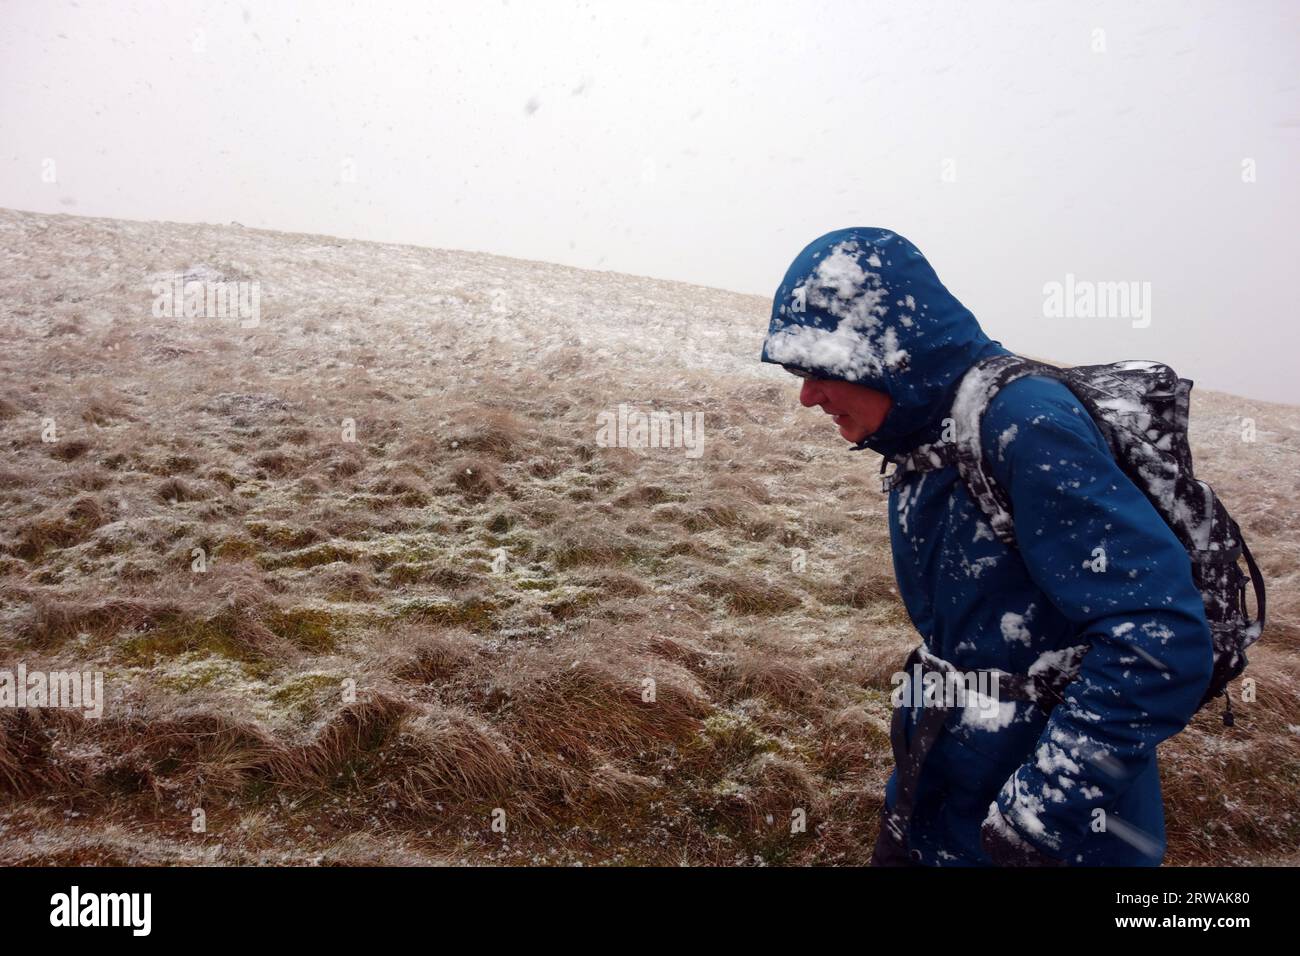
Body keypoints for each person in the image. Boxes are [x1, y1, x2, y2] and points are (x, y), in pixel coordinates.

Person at [761, 228, 1214, 866]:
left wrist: (1039, 816)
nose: (807, 395)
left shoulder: (1022, 424)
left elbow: (1160, 636)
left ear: (887, 353)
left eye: (819, 370)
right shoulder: (921, 432)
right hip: (946, 774)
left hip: (1051, 818)